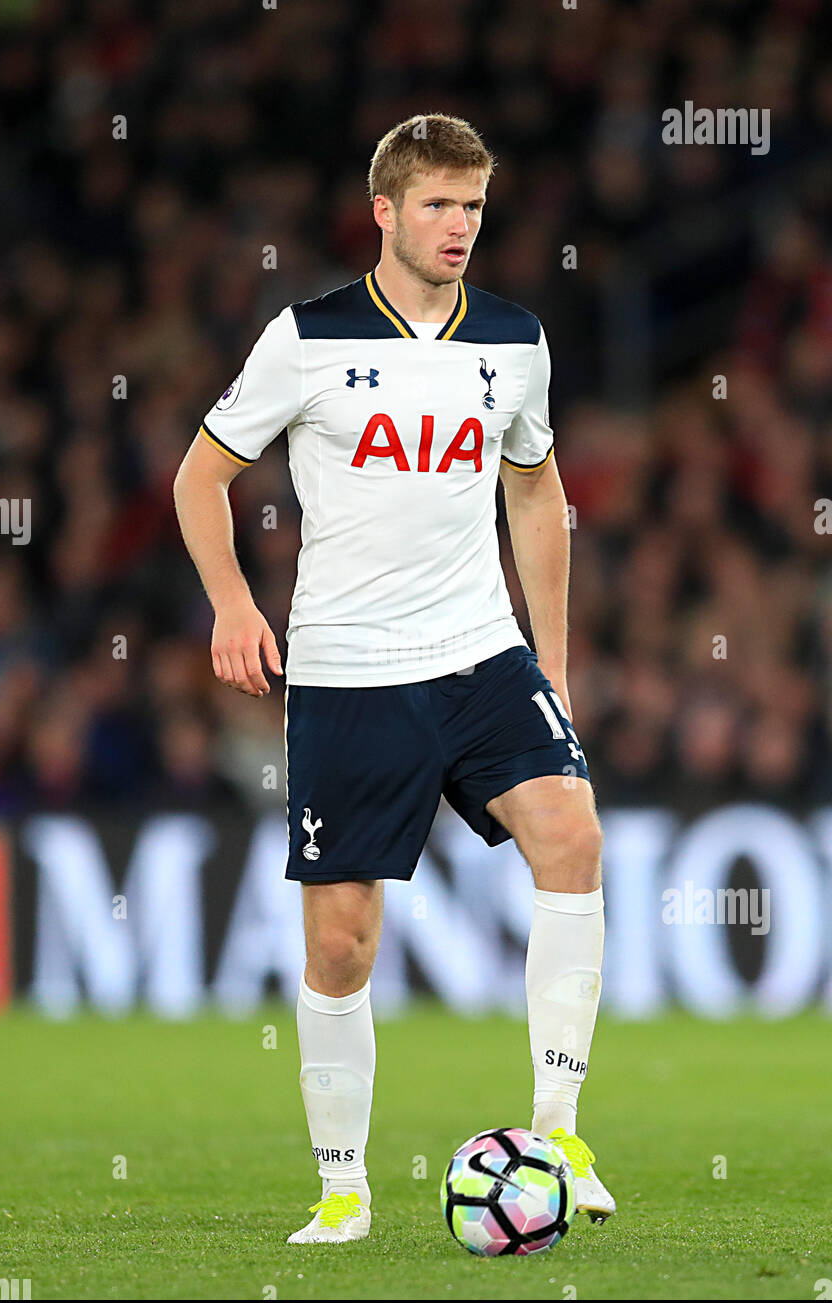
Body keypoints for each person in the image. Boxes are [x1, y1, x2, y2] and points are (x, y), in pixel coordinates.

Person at [173, 113, 614, 1244]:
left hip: (477, 652)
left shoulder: (514, 341)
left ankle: (558, 1130)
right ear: (384, 212)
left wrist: (550, 661)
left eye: (473, 205)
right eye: (436, 205)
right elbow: (199, 477)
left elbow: (533, 493)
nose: (459, 226)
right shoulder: (305, 338)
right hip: (349, 670)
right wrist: (231, 600)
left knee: (571, 833)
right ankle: (343, 1187)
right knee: (342, 942)